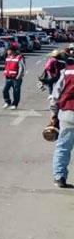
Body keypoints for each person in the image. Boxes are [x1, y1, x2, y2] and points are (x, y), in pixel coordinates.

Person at [49, 57, 74, 188]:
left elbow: (55, 96)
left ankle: (59, 177)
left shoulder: (67, 72)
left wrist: (53, 115)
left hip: (68, 113)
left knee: (63, 146)